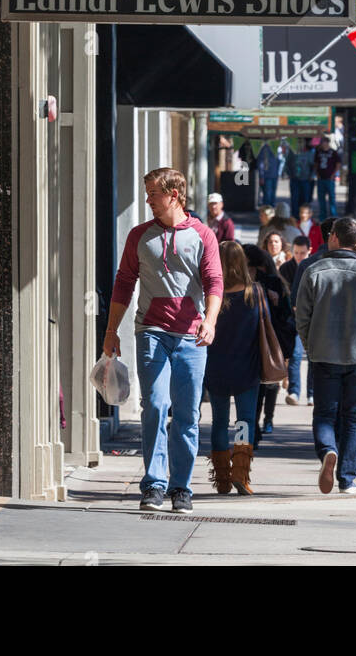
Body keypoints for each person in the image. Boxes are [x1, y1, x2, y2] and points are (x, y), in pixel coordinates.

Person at [103, 167, 223, 514]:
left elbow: (215, 282)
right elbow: (124, 282)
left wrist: (210, 321)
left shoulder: (202, 235)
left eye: (153, 194)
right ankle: (154, 485)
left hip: (191, 337)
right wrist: (111, 331)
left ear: (174, 195)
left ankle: (181, 488)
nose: (147, 200)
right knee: (155, 406)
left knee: (186, 414)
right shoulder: (140, 236)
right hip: (151, 332)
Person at [296, 216, 356, 496]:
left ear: (335, 238)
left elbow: (302, 316)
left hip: (324, 354)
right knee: (352, 419)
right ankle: (347, 479)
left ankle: (328, 449)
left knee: (325, 414)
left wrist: (310, 343)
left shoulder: (314, 270)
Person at [205, 241, 263, 496]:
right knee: (244, 421)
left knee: (219, 422)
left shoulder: (211, 295)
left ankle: (221, 479)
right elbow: (265, 329)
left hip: (216, 366)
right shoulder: (254, 293)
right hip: (247, 368)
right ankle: (240, 473)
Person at [243, 244, 296, 444]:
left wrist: (275, 302)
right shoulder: (233, 282)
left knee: (259, 392)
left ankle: (250, 436)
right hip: (243, 346)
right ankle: (247, 437)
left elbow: (285, 315)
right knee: (248, 397)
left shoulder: (271, 283)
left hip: (261, 345)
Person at [282, 237, 313, 405]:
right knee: (294, 355)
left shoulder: (314, 266)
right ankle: (294, 391)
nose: (299, 256)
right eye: (296, 253)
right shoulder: (287, 268)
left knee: (313, 356)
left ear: (310, 250)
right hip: (293, 317)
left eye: (302, 253)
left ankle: (312, 393)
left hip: (311, 317)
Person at [314, 135, 340, 218]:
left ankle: (333, 214)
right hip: (321, 178)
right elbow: (316, 164)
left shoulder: (333, 152)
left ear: (328, 143)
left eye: (325, 143)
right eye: (322, 143)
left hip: (330, 178)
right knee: (321, 198)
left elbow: (338, 164)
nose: (324, 145)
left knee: (332, 198)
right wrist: (317, 174)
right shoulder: (318, 152)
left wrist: (333, 175)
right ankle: (322, 215)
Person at [257, 142, 279, 208]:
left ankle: (272, 211)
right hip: (266, 176)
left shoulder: (277, 149)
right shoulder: (264, 149)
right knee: (267, 196)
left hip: (274, 175)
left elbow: (278, 162)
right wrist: (261, 176)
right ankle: (266, 211)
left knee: (273, 195)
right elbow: (260, 164)